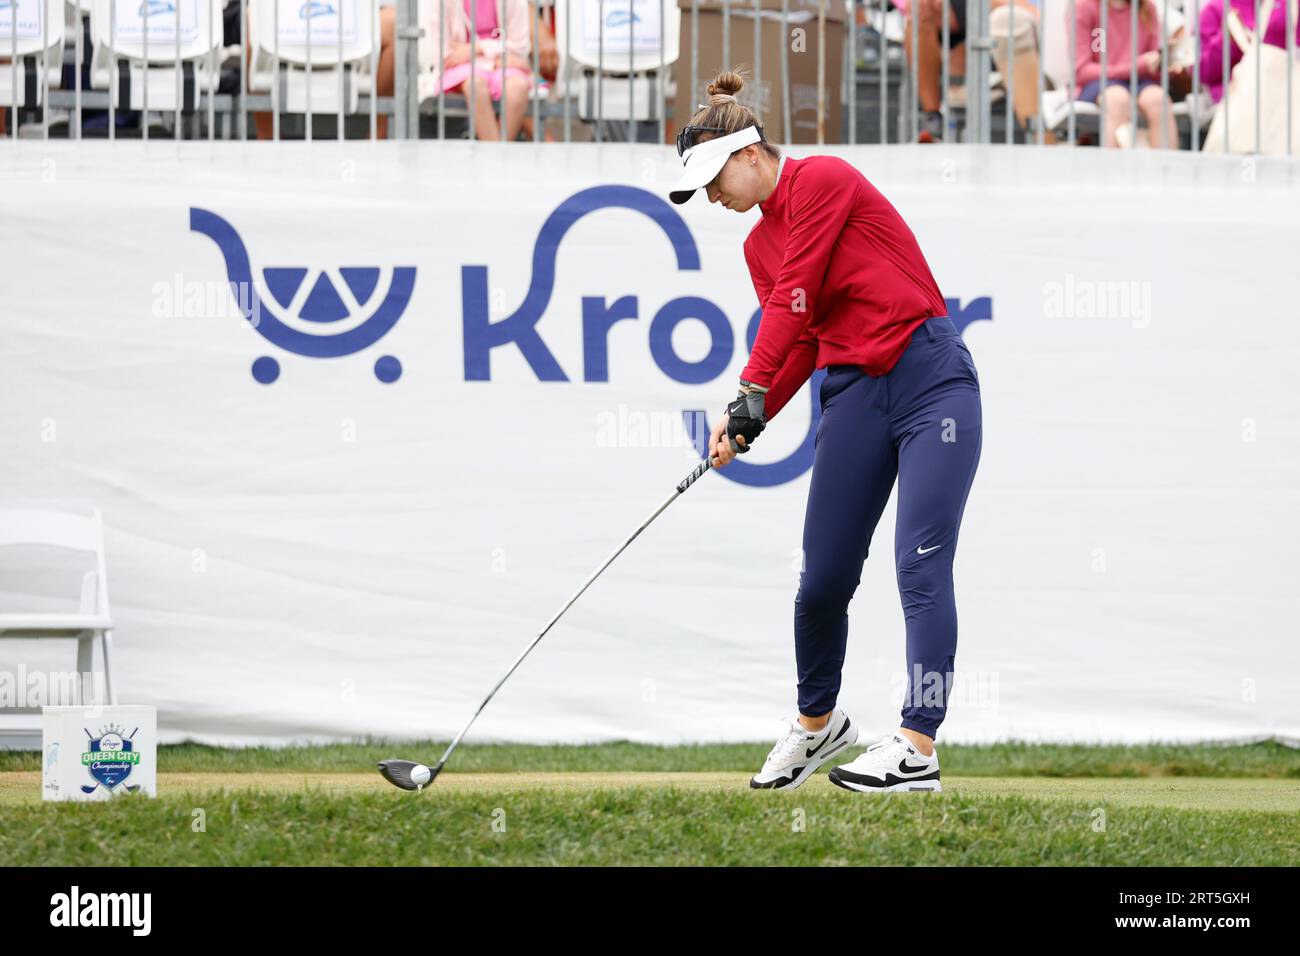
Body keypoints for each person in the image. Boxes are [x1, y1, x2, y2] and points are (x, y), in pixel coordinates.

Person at [668, 69, 984, 793]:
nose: (713, 197)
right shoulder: (756, 249)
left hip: (930, 379)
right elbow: (802, 338)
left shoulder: (825, 179)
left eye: (717, 178)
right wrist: (747, 418)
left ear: (751, 155)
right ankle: (819, 726)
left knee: (920, 565)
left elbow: (800, 291)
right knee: (821, 581)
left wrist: (749, 391)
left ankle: (917, 746)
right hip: (853, 397)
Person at [1073, 0, 1187, 148]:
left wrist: (1164, 66)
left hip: (1140, 82)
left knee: (1159, 100)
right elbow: (1081, 71)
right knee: (1117, 99)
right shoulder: (1084, 7)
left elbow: (1151, 69)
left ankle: (1164, 168)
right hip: (1098, 83)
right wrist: (1135, 67)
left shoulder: (1147, 8)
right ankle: (1115, 169)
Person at [1199, 0, 1300, 103]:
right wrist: (1225, 40)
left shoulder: (1290, 5)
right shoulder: (1213, 9)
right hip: (1236, 102)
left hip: (1283, 95)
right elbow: (1201, 71)